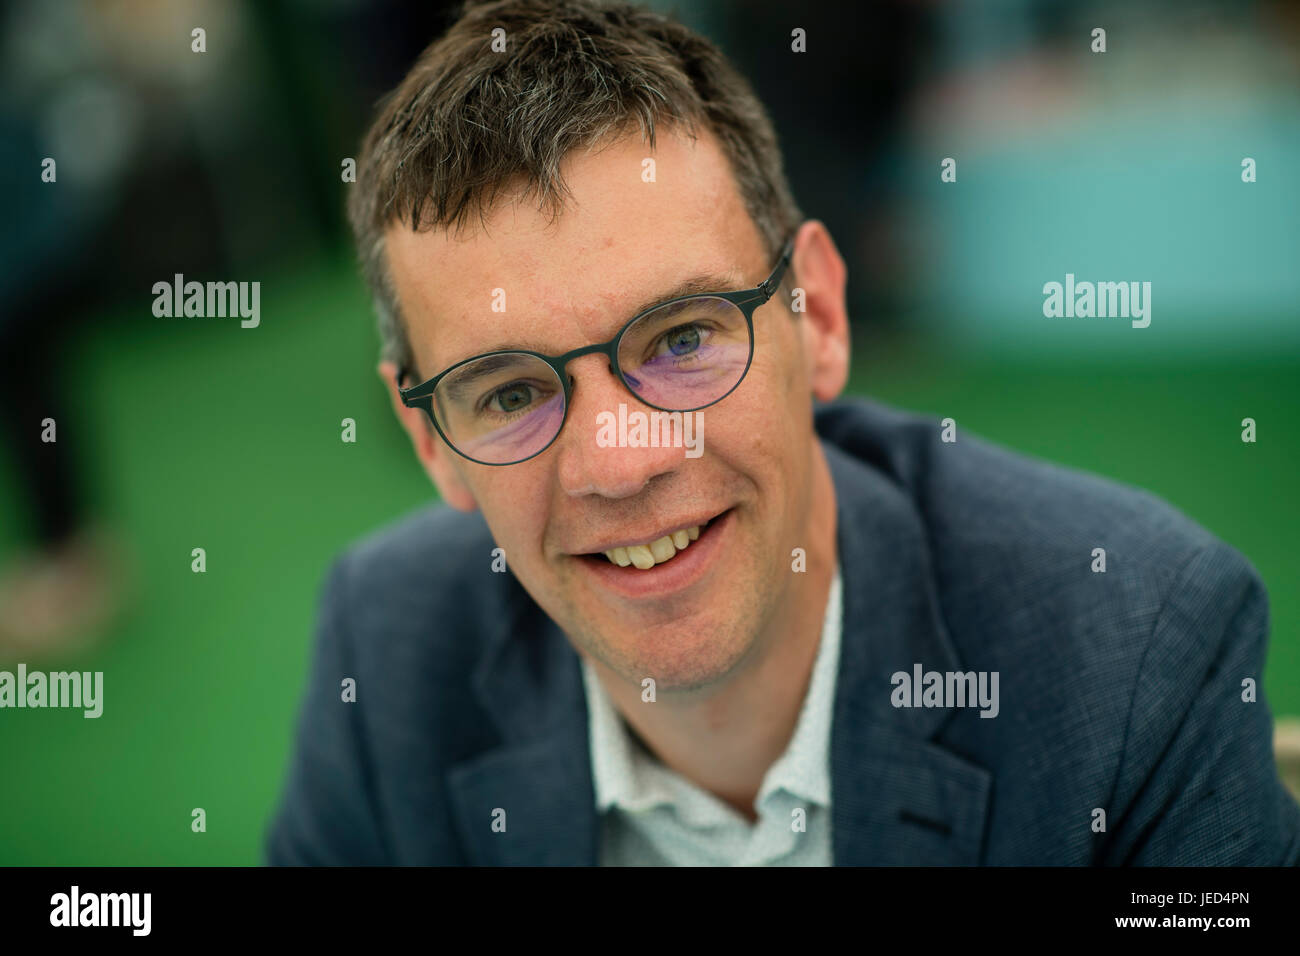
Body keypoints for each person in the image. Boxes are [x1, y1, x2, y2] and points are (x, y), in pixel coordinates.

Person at [265, 0, 1300, 865]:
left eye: (679, 338)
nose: (618, 461)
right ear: (431, 440)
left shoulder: (1136, 655)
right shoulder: (388, 649)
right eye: (507, 392)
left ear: (824, 315)